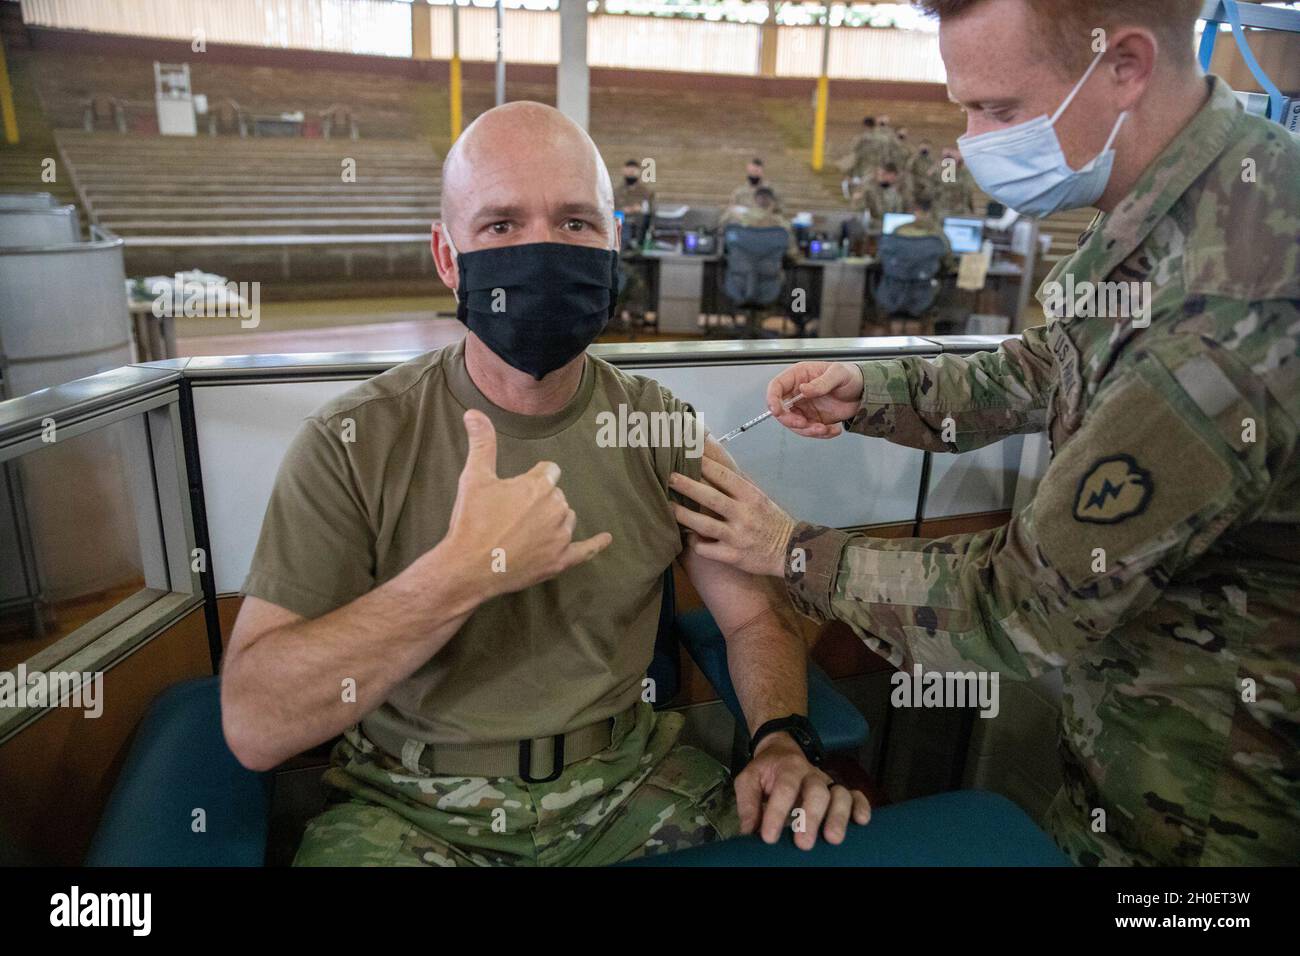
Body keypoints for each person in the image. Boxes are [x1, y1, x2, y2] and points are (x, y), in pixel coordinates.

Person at [666, 0, 1300, 866]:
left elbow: (1026, 602)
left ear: (1126, 66)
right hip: (1132, 751)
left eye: (999, 110)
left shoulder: (1237, 301)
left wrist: (793, 550)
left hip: (1220, 801)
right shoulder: (1164, 206)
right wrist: (872, 392)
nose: (969, 142)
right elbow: (1043, 368)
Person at [221, 101, 869, 867]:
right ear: (447, 256)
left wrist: (780, 743)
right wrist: (456, 577)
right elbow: (256, 724)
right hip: (411, 810)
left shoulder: (660, 431)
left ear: (614, 242)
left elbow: (755, 621)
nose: (542, 251)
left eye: (574, 223)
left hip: (632, 788)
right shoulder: (355, 441)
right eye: (499, 226)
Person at [720, 186, 799, 259]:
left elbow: (722, 229)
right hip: (770, 269)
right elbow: (792, 253)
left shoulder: (738, 218)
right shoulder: (782, 223)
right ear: (772, 203)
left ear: (754, 201)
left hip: (741, 267)